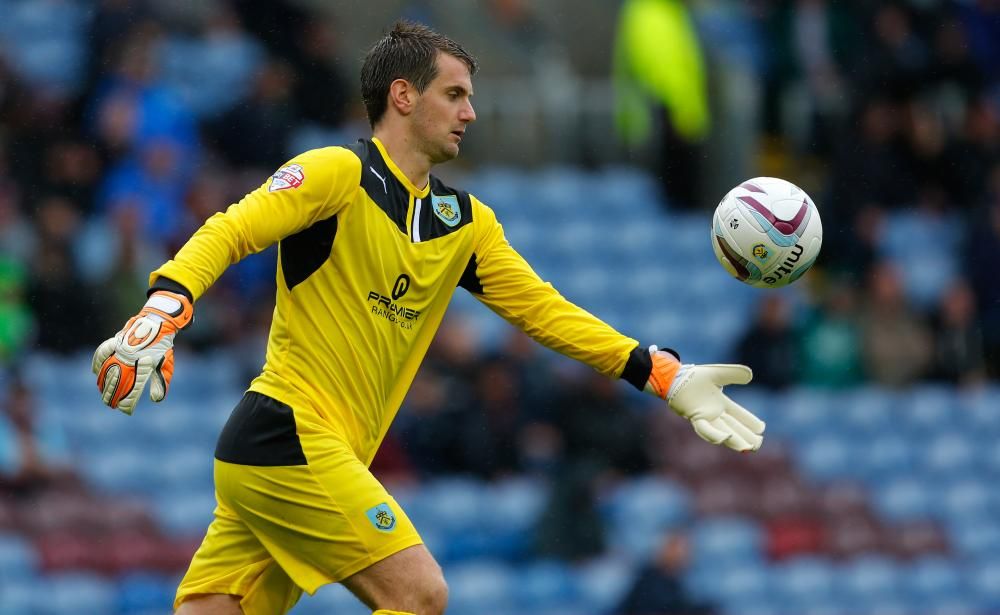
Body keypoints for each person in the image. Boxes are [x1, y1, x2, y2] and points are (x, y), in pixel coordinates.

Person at [91, 21, 765, 615]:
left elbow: (543, 311)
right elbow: (231, 228)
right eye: (455, 94)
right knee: (419, 593)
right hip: (287, 434)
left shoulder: (464, 224)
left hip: (297, 460)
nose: (471, 111)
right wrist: (164, 305)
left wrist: (660, 372)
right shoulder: (336, 172)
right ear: (403, 96)